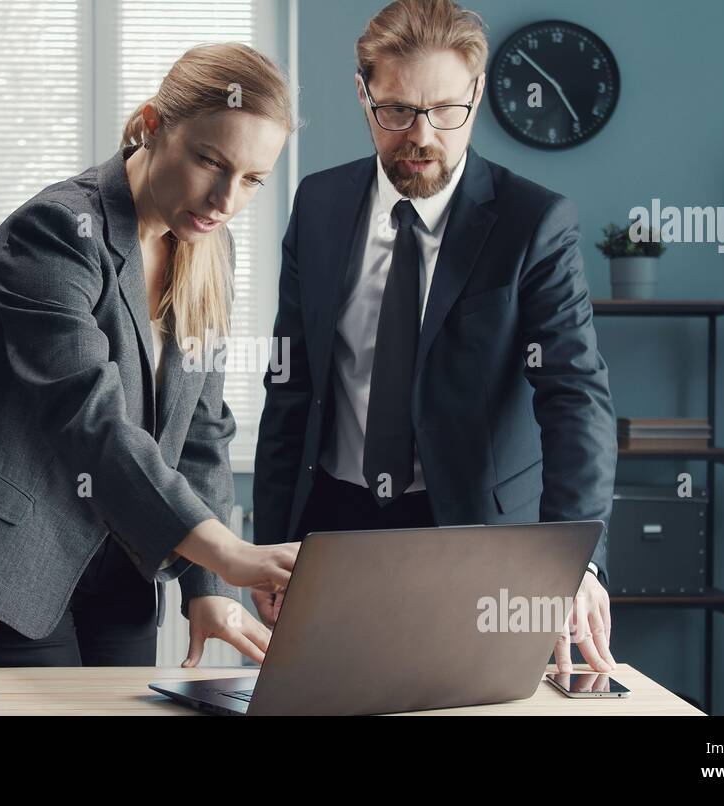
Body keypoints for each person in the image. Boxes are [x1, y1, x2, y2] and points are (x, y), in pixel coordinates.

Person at [0, 43, 298, 668]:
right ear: (151, 124)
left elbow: (200, 434)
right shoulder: (55, 232)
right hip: (3, 554)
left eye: (252, 180)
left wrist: (207, 588)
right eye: (209, 160)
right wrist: (229, 552)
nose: (225, 199)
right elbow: (90, 418)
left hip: (124, 560)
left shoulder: (212, 252)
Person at [252, 0, 619, 674]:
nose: (421, 136)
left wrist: (575, 562)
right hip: (333, 528)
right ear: (363, 94)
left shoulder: (533, 223)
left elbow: (574, 397)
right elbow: (290, 386)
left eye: (445, 110)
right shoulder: (320, 205)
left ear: (476, 95)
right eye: (397, 111)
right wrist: (270, 547)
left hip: (472, 535)